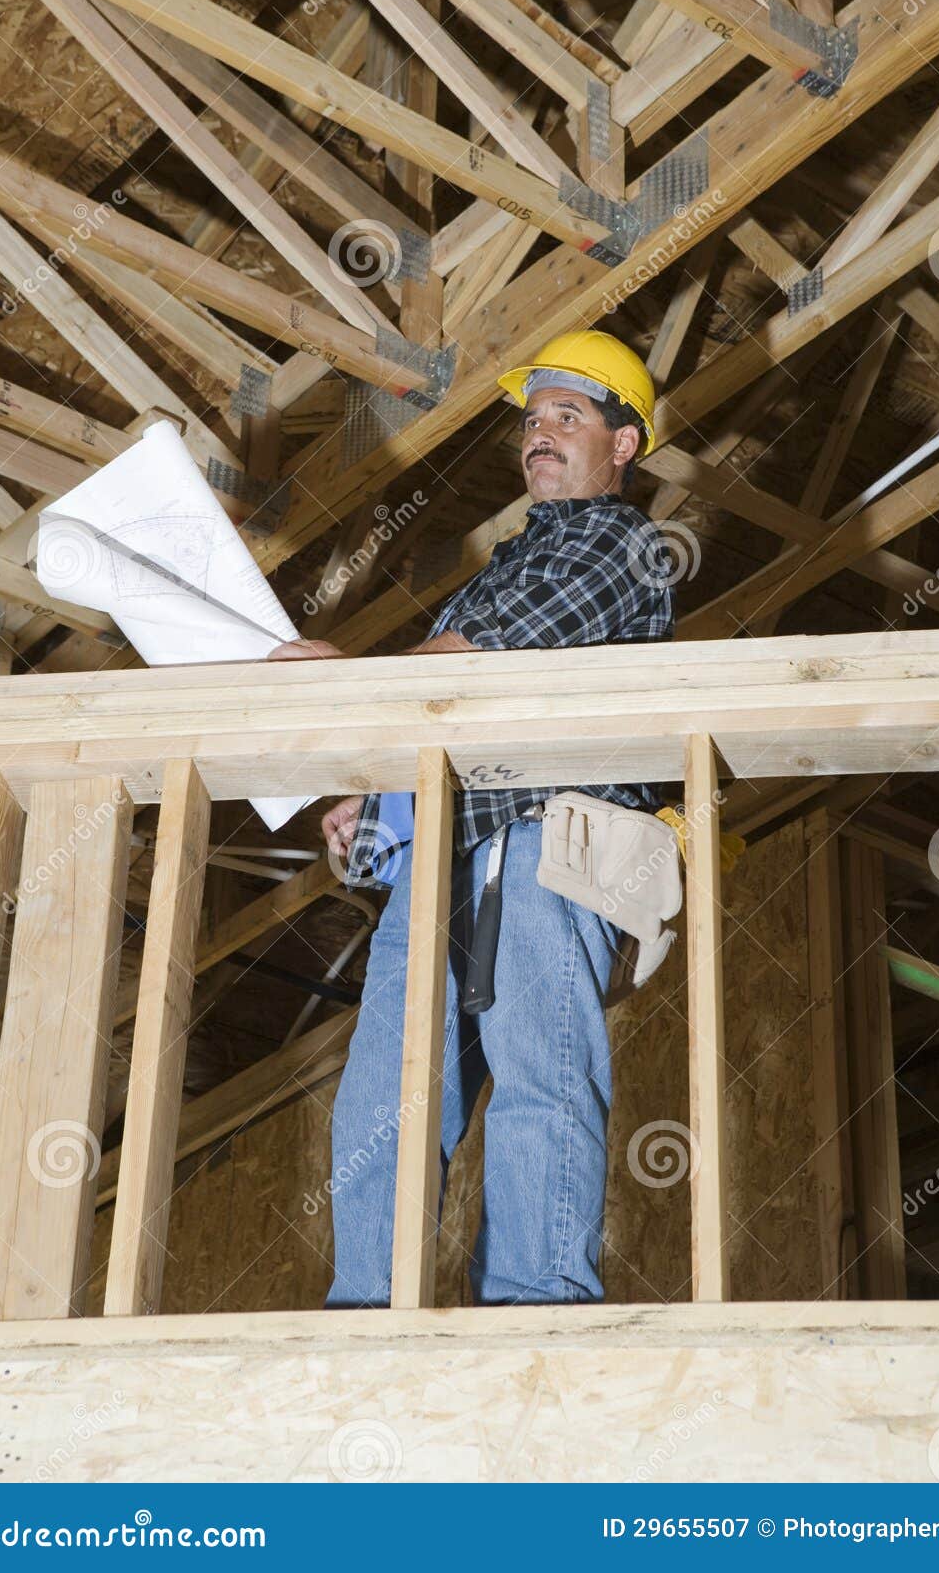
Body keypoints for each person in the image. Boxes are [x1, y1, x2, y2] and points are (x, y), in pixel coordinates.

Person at [268, 331, 675, 1305]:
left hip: (544, 834)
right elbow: (436, 722)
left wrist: (350, 681)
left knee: (542, 1069)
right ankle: (369, 1302)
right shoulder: (497, 565)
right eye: (533, 420)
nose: (540, 434)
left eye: (568, 415)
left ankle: (535, 1301)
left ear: (622, 445)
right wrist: (371, 812)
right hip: (447, 858)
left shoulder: (622, 543)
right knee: (386, 1091)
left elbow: (481, 659)